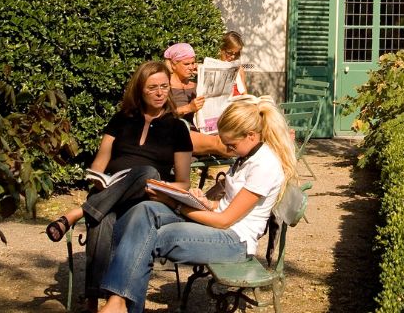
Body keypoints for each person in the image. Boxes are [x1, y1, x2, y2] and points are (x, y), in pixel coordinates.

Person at [95, 96, 297, 313]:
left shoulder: (264, 165)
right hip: (220, 228)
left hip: (235, 241)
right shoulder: (247, 155)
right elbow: (228, 206)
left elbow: (224, 221)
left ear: (251, 135)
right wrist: (204, 202)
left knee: (152, 237)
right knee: (144, 210)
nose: (228, 150)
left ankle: (119, 304)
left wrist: (175, 204)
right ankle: (118, 302)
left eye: (232, 145)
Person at [44, 61, 194, 310]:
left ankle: (79, 212)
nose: (159, 93)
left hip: (147, 198)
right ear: (140, 90)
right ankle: (94, 301)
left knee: (147, 172)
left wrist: (160, 190)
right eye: (152, 88)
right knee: (102, 218)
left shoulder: (177, 128)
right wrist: (97, 179)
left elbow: (184, 182)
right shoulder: (122, 119)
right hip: (110, 192)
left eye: (164, 87)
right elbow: (99, 164)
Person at [164, 43, 205, 117]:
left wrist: (203, 74)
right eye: (186, 64)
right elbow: (160, 114)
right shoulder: (165, 86)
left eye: (192, 63)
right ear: (173, 65)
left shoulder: (196, 85)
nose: (191, 67)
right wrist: (188, 108)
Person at [218, 32, 250, 96]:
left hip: (238, 99)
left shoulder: (239, 69)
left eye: (236, 53)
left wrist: (248, 99)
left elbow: (244, 90)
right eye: (229, 53)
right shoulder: (216, 65)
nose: (233, 56)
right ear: (222, 49)